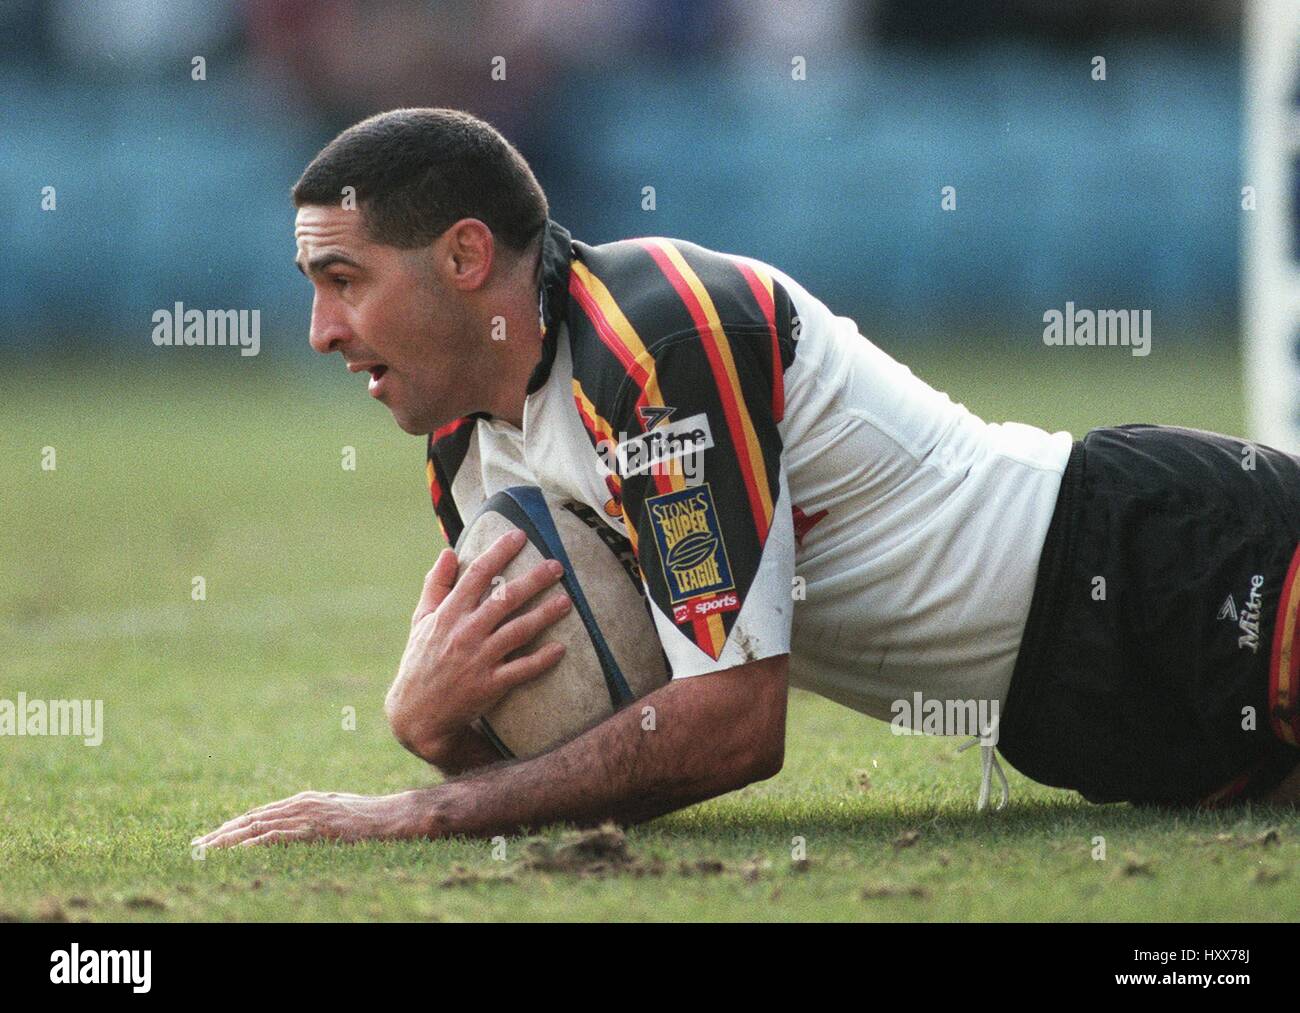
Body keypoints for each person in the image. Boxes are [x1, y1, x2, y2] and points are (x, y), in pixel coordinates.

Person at [194, 108, 1300, 849]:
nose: (318, 329)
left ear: (466, 259)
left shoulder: (657, 340)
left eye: (342, 279)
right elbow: (588, 744)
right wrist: (433, 724)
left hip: (1169, 563)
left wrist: (420, 807)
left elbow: (730, 726)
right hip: (1079, 729)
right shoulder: (463, 439)